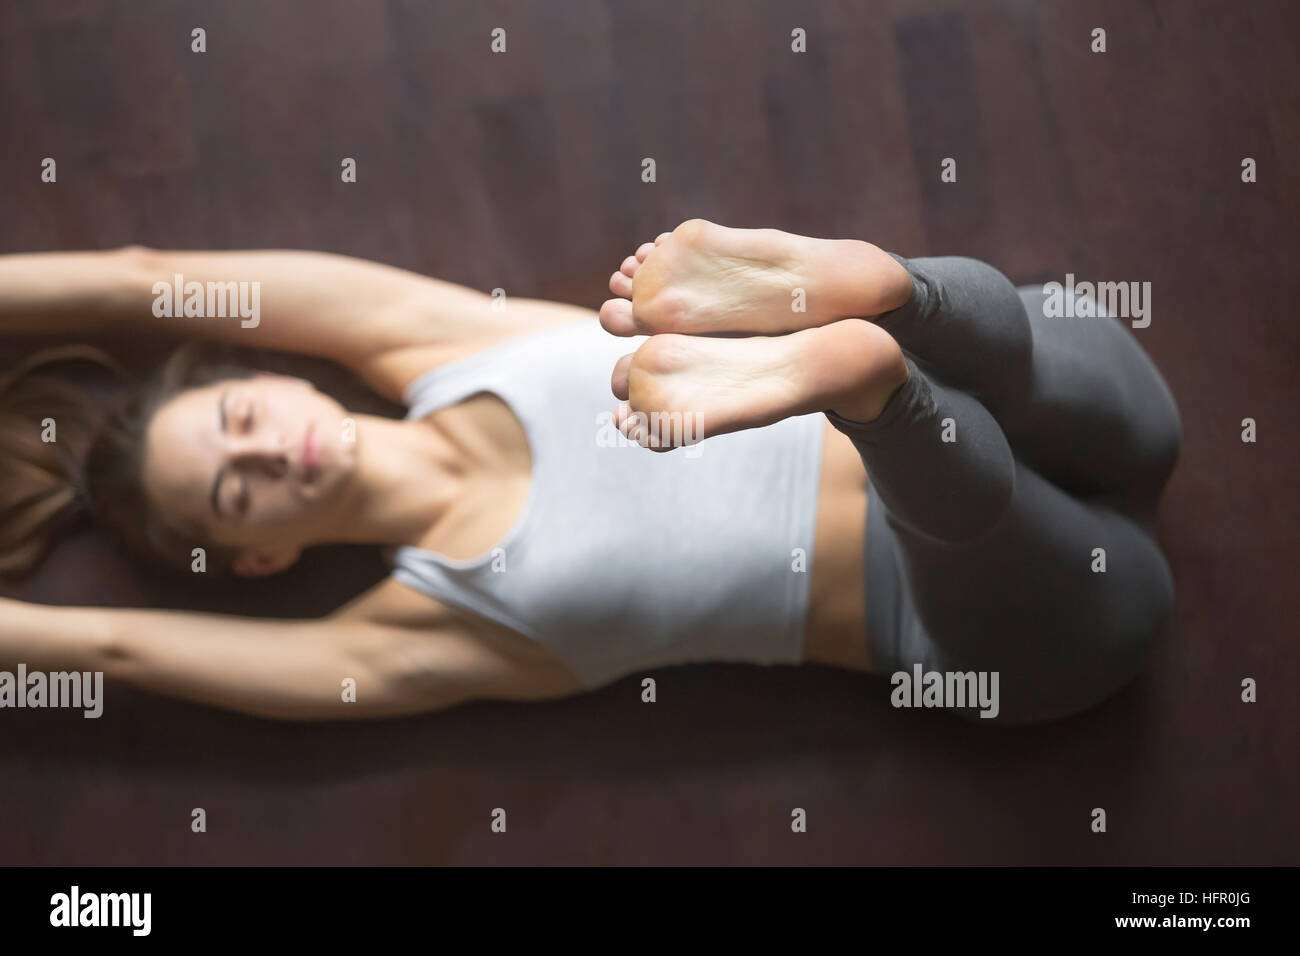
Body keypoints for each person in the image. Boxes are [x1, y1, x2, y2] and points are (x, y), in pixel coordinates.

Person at [0, 220, 1179, 723]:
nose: (267, 447)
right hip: (956, 615)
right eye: (237, 486)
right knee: (1109, 583)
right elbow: (118, 647)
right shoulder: (410, 634)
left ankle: (879, 329)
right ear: (258, 552)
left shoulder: (437, 346)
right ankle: (872, 347)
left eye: (241, 414)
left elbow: (140, 275)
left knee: (1118, 416)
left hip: (1011, 409)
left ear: (287, 379)